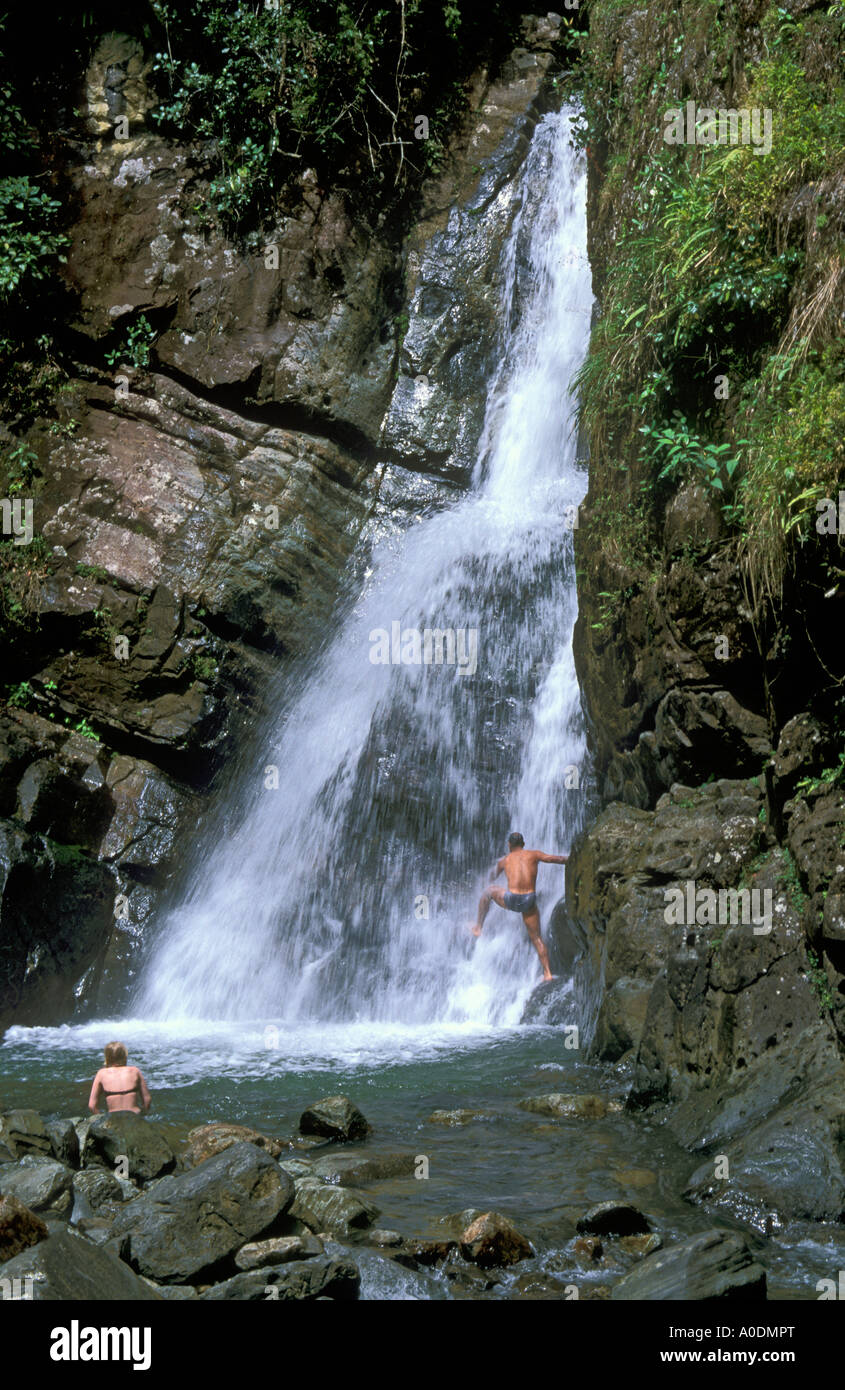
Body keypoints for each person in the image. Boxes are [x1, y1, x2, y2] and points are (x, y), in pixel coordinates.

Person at [471, 832, 568, 982]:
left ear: (509, 845)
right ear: (523, 844)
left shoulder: (505, 860)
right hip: (529, 900)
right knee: (536, 938)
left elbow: (491, 877)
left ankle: (478, 927)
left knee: (488, 892)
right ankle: (547, 973)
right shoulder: (534, 854)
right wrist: (572, 859)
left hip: (511, 899)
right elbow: (556, 859)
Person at [88, 1041, 151, 1116]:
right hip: (135, 1116)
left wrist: (103, 1119)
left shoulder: (101, 1074)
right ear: (125, 1056)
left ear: (107, 1058)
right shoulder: (134, 1071)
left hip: (114, 1119)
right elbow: (147, 1100)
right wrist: (143, 1116)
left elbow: (92, 1106)